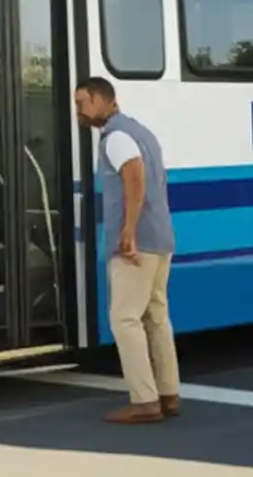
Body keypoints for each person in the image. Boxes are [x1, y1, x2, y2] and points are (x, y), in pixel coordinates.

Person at [73, 76, 180, 424]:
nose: (79, 112)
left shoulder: (115, 137)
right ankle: (168, 393)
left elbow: (135, 178)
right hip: (161, 238)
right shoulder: (142, 132)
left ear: (104, 101)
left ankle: (145, 401)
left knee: (124, 319)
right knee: (156, 316)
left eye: (83, 103)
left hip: (138, 243)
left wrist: (128, 231)